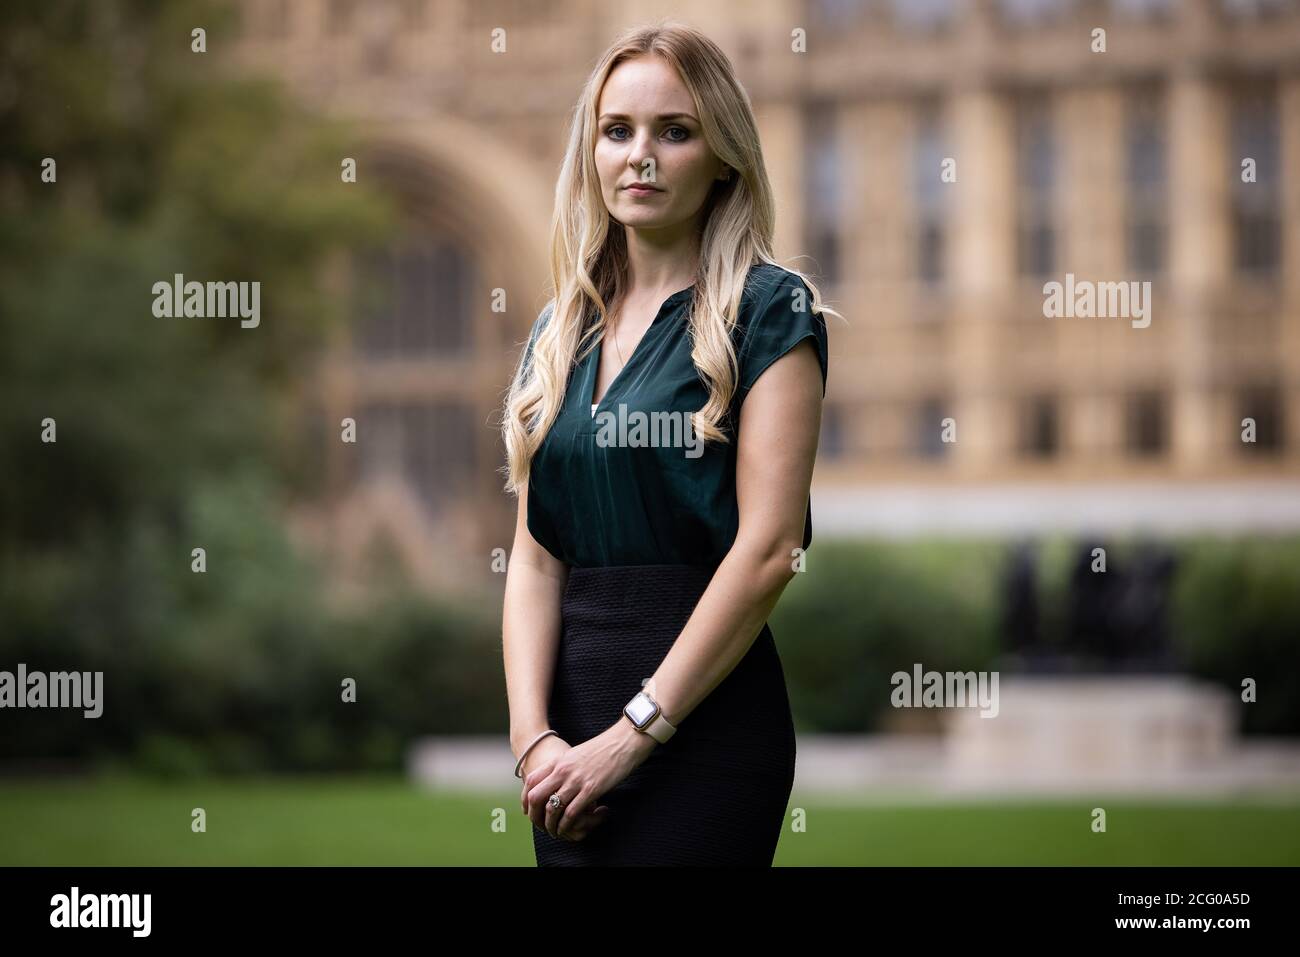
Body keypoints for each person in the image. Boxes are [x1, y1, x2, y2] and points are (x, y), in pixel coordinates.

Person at [499, 20, 839, 866]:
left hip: (705, 727)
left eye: (673, 131)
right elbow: (536, 563)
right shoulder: (559, 331)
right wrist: (534, 741)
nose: (640, 155)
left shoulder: (769, 312)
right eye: (618, 131)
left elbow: (768, 549)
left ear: (721, 154)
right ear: (593, 153)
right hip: (568, 748)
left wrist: (633, 734)